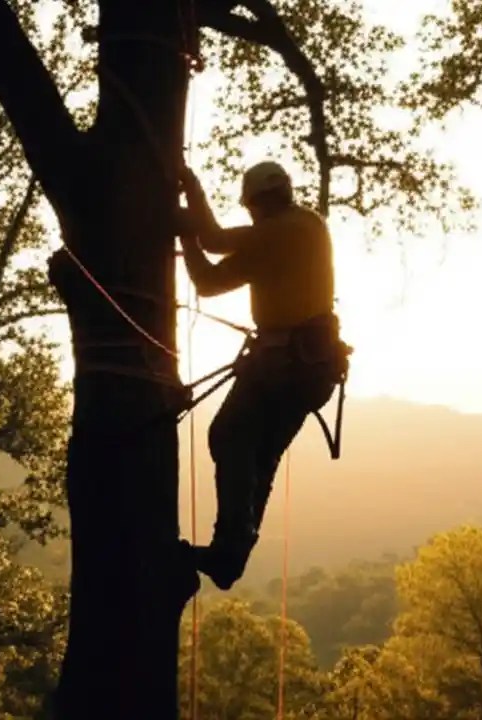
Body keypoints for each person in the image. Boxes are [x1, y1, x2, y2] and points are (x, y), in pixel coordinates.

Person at [175, 160, 347, 590]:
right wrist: (191, 199)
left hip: (285, 365)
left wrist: (184, 226)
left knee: (229, 436)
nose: (250, 216)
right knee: (260, 456)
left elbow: (209, 273)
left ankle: (228, 550)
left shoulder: (277, 233)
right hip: (312, 368)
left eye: (250, 209)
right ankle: (231, 555)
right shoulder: (308, 224)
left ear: (256, 203)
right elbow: (220, 242)